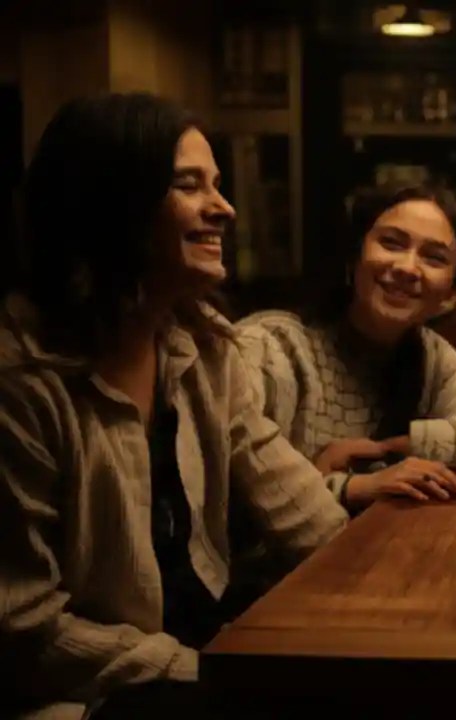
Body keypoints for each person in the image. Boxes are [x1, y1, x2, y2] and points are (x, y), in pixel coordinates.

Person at [0, 93, 349, 718]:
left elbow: (292, 498)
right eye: (190, 186)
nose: (225, 208)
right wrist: (198, 670)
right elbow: (24, 629)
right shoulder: (23, 380)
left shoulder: (202, 343)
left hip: (196, 652)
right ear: (114, 206)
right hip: (90, 691)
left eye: (217, 185)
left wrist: (380, 577)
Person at [235, 180, 456, 513]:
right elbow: (232, 489)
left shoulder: (431, 355)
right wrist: (351, 487)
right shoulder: (270, 348)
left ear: (453, 295)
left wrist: (390, 449)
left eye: (434, 258)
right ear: (354, 257)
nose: (408, 268)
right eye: (392, 243)